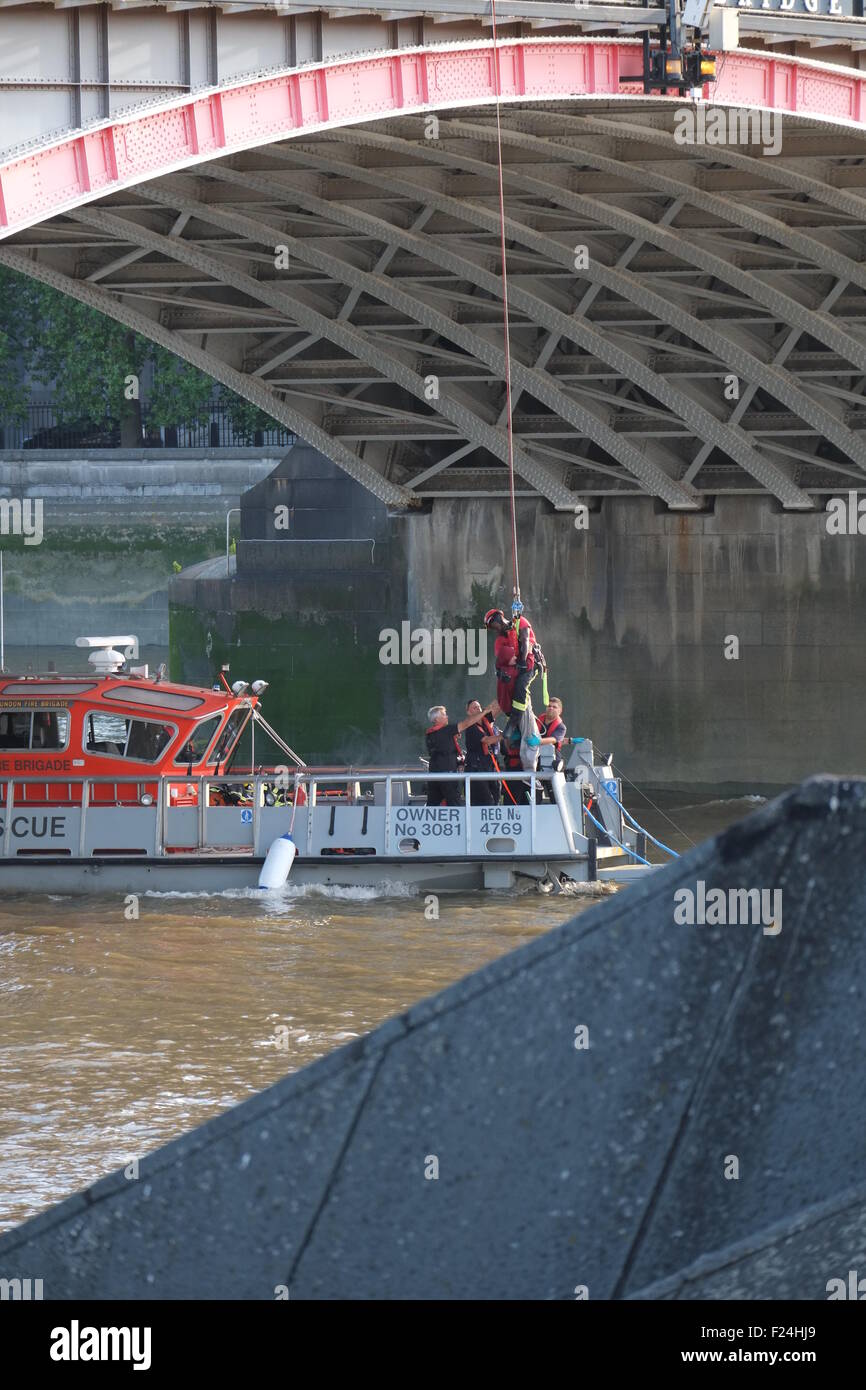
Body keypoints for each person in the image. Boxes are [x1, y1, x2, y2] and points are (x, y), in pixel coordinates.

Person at [484, 607, 548, 730]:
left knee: (520, 686)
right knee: (505, 687)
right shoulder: (500, 640)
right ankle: (509, 716)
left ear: (499, 618)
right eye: (492, 627)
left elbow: (525, 641)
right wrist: (500, 672)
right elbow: (500, 660)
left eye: (494, 624)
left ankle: (515, 719)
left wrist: (523, 661)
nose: (495, 628)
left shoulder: (520, 622)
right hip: (515, 666)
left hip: (530, 662)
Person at [425, 702, 494, 807]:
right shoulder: (446, 730)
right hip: (447, 775)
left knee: (432, 803)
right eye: (443, 714)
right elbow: (466, 723)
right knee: (455, 804)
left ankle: (428, 822)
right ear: (436, 720)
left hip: (434, 774)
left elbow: (442, 750)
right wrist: (484, 712)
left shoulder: (430, 734)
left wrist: (459, 763)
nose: (447, 716)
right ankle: (458, 823)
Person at [463, 699, 502, 805]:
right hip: (477, 768)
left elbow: (497, 707)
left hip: (490, 766)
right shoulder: (470, 726)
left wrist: (505, 691)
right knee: (485, 801)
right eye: (474, 707)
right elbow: (487, 740)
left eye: (479, 706)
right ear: (469, 712)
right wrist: (505, 735)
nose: (478, 709)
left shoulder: (485, 721)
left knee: (496, 796)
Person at [536, 697, 567, 801]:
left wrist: (538, 741)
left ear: (560, 711)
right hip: (536, 759)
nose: (551, 708)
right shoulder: (536, 721)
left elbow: (554, 739)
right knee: (535, 792)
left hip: (553, 761)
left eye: (554, 707)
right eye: (549, 706)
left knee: (555, 794)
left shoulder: (561, 727)